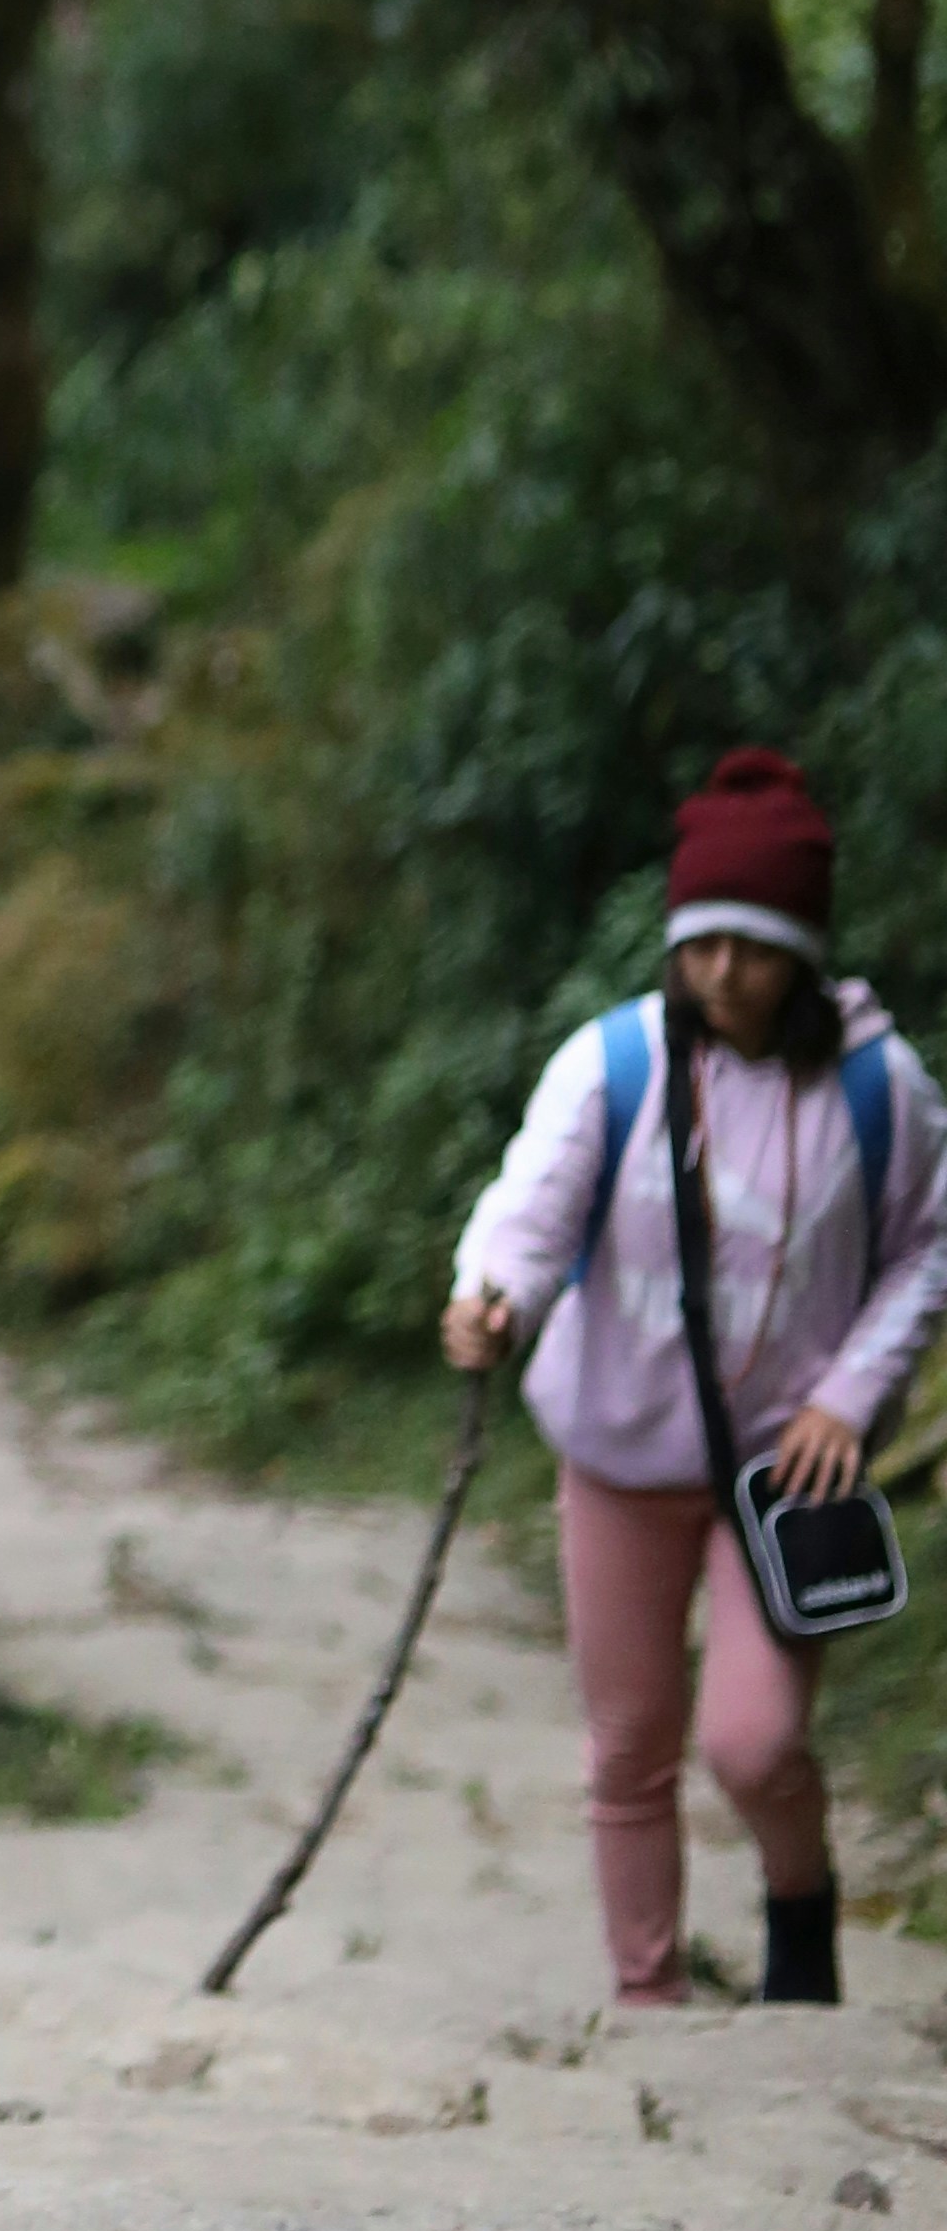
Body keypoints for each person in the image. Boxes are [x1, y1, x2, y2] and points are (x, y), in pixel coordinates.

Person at [442, 743, 943, 2015]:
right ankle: (647, 2001)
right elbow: (530, 1215)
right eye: (703, 940)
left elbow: (929, 1248)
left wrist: (851, 1391)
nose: (723, 972)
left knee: (754, 1742)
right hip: (619, 1456)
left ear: (805, 952)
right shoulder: (612, 1069)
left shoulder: (880, 1090)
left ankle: (798, 1910)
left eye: (756, 944)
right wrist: (488, 1300)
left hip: (786, 1468)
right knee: (627, 1748)